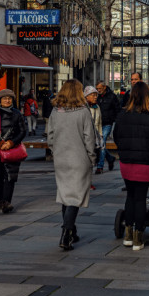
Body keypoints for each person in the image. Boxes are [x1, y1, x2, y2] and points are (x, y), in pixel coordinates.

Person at [114, 81, 149, 251]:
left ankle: (128, 235)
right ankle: (138, 237)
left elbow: (116, 137)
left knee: (130, 196)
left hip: (127, 162)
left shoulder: (122, 115)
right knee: (140, 198)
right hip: (145, 162)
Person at [47, 80, 97, 251]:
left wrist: (55, 151)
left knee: (65, 194)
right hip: (79, 158)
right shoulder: (84, 112)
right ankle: (66, 233)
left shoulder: (56, 111)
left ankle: (72, 231)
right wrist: (92, 157)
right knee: (74, 197)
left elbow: (50, 136)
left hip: (61, 159)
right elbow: (89, 138)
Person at [0, 89, 26, 213]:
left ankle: (7, 201)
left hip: (12, 149)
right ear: (0, 101)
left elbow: (22, 131)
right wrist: (0, 143)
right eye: (4, 98)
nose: (7, 100)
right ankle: (1, 199)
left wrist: (11, 142)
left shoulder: (17, 114)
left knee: (10, 176)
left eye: (9, 98)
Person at [95, 81, 120, 174]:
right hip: (98, 124)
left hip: (107, 123)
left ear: (104, 87)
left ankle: (100, 166)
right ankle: (110, 158)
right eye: (97, 89)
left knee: (102, 143)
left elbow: (117, 109)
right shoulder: (96, 97)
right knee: (100, 144)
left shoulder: (112, 97)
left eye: (100, 88)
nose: (98, 90)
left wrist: (116, 121)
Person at [84, 86, 102, 188]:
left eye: (96, 95)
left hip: (95, 136)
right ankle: (86, 182)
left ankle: (89, 181)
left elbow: (99, 123)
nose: (95, 97)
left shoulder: (97, 107)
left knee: (92, 160)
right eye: (92, 95)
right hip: (87, 136)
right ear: (86, 96)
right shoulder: (83, 108)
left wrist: (101, 136)